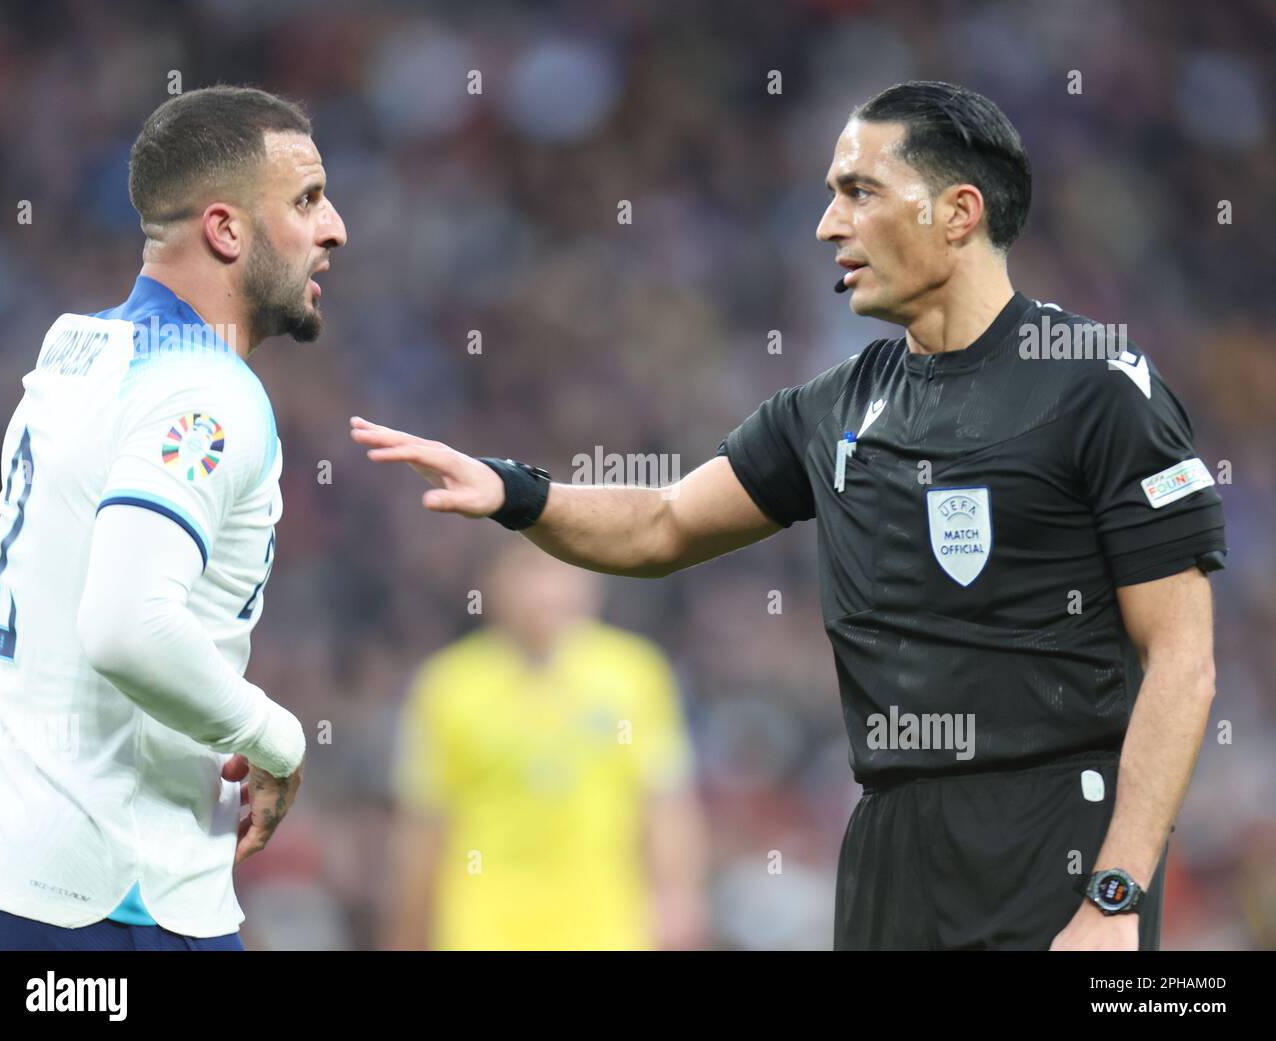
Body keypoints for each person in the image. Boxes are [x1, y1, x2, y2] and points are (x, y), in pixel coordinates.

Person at [351, 81, 1225, 950]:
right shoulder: (834, 407)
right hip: (891, 844)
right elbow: (660, 523)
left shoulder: (1098, 385)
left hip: (1055, 844)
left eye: (859, 192)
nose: (828, 225)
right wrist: (519, 493)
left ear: (958, 212)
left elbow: (1182, 661)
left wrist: (1113, 896)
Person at [0, 85, 347, 951]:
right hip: (110, 901)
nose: (335, 228)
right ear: (226, 230)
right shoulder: (206, 388)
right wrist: (277, 738)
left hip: (11, 873)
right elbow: (128, 627)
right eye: (306, 200)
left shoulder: (74, 350)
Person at [383, 540, 707, 950]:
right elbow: (423, 827)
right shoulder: (447, 688)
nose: (545, 590)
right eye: (527, 571)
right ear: (492, 582)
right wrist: (407, 932)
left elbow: (666, 804)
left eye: (562, 569)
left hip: (607, 925)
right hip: (482, 926)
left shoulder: (636, 676)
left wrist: (680, 902)